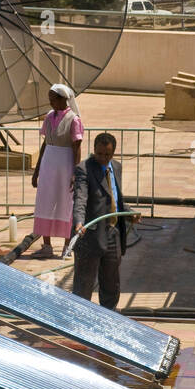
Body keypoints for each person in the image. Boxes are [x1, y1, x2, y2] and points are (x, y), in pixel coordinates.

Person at [71, 131, 140, 309]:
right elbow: (80, 198)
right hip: (90, 235)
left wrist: (129, 213)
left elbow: (115, 199)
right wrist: (79, 221)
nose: (103, 158)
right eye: (99, 153)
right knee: (84, 282)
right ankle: (80, 317)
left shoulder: (116, 167)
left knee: (111, 280)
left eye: (107, 154)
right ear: (94, 150)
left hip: (113, 233)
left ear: (113, 153)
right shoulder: (83, 169)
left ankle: (109, 315)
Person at [31, 84, 83, 258]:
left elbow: (77, 148)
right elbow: (45, 143)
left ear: (63, 99)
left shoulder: (73, 119)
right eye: (50, 99)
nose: (51, 102)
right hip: (48, 165)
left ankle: (67, 246)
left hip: (65, 166)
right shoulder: (49, 117)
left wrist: (76, 173)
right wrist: (36, 171)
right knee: (45, 202)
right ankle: (47, 246)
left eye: (54, 99)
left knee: (65, 203)